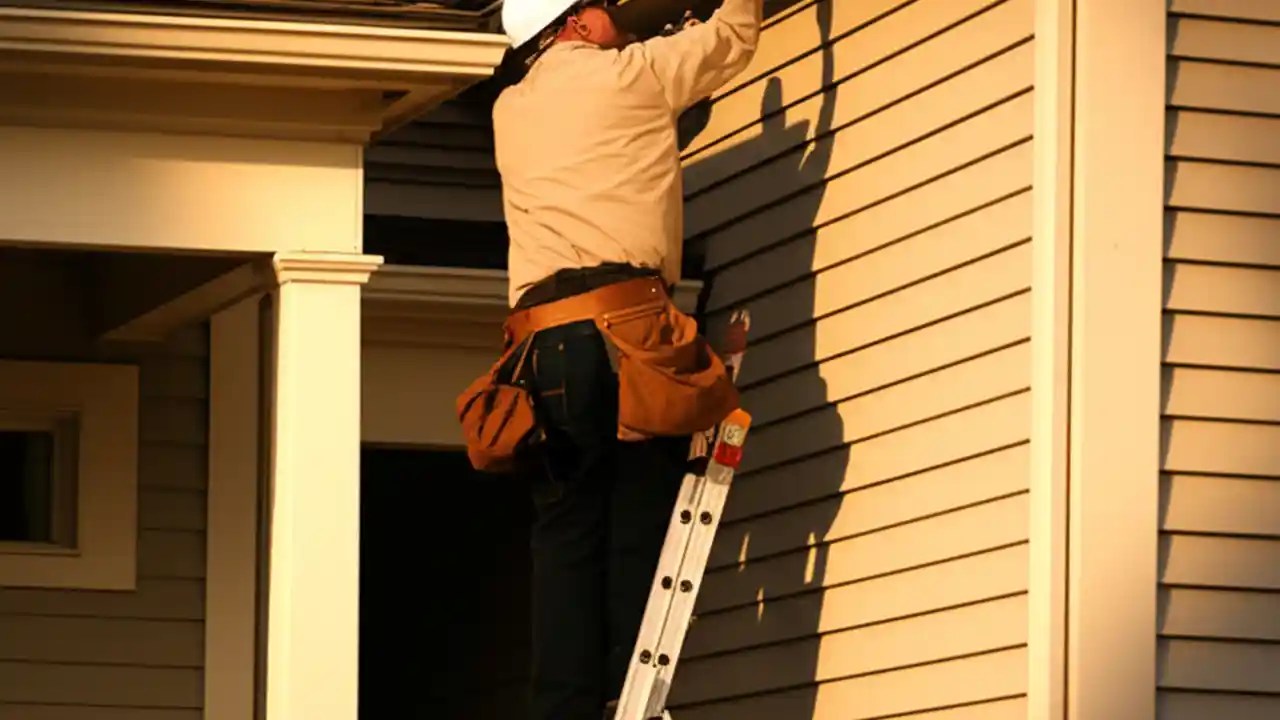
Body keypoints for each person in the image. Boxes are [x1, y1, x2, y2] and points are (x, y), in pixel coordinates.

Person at [485, 1, 763, 718]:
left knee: (566, 533)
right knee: (641, 512)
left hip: (540, 348)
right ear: (575, 23)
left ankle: (568, 707)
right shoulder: (632, 77)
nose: (622, 20)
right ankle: (624, 695)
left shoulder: (510, 110)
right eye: (608, 9)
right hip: (630, 332)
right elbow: (732, 38)